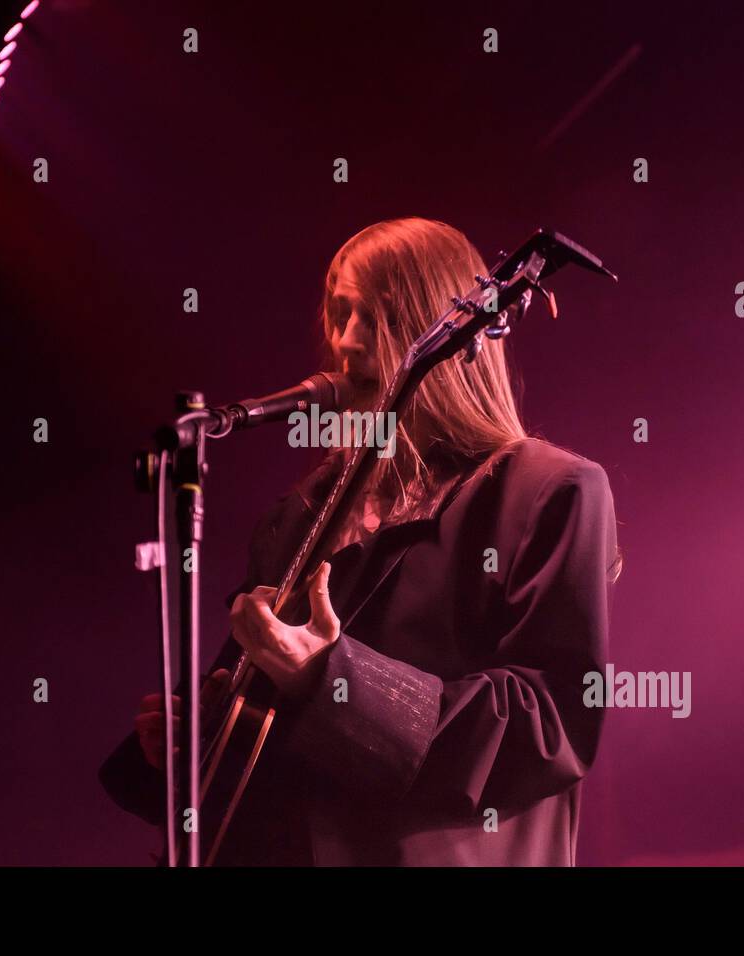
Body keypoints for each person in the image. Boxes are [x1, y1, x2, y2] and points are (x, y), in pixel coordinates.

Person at [101, 216, 622, 865]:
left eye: (375, 317)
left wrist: (333, 676)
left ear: (451, 329)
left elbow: (553, 724)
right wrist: (190, 745)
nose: (346, 342)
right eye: (338, 316)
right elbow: (251, 737)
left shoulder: (547, 490)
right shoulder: (302, 516)